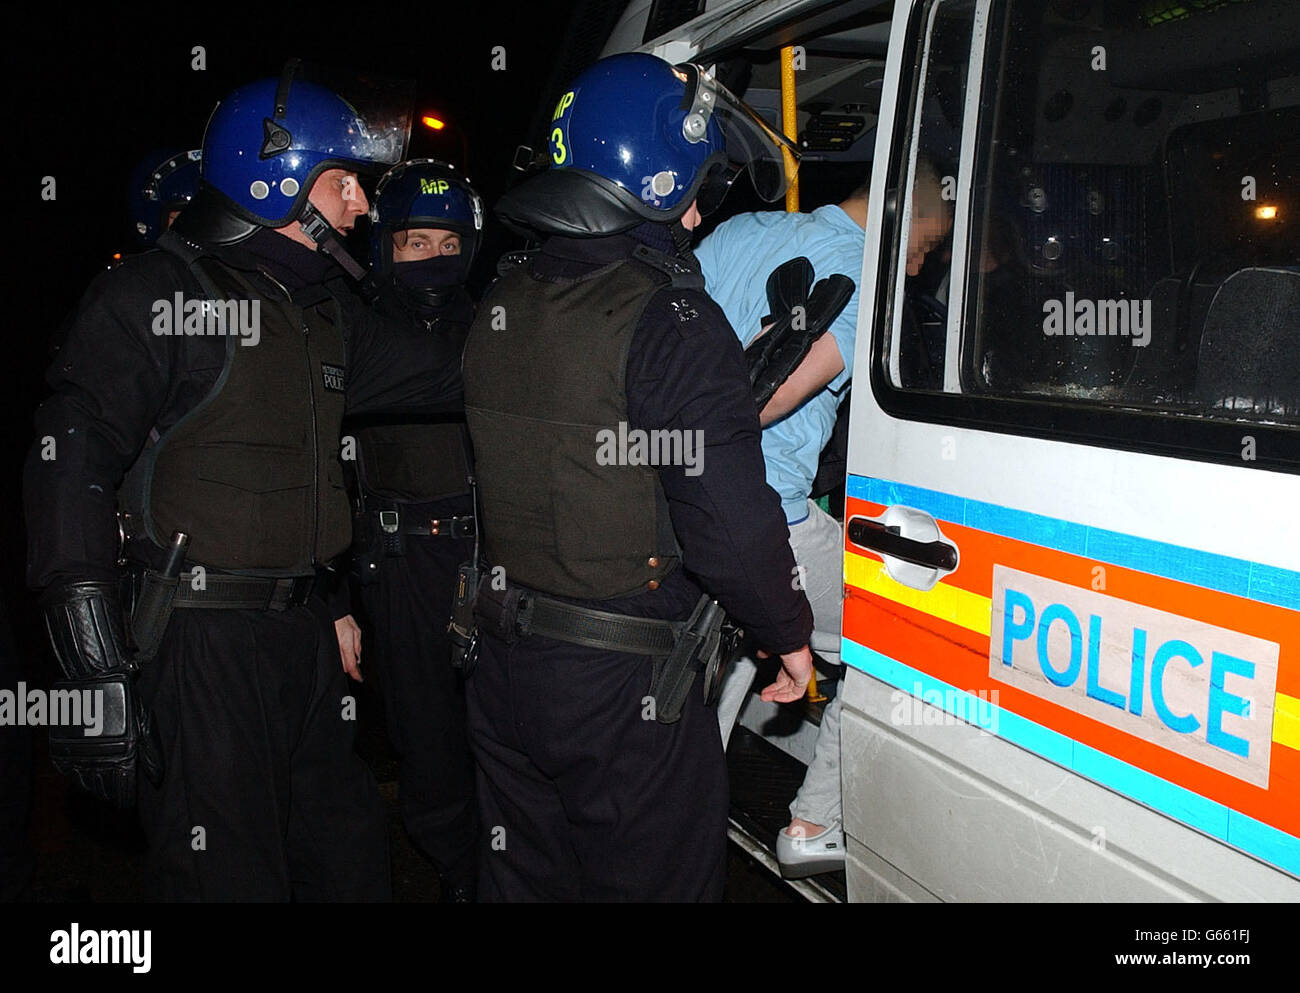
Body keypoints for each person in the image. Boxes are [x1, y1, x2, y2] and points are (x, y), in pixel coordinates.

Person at [23, 63, 464, 901]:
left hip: (300, 639)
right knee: (223, 875)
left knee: (351, 860)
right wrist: (90, 658)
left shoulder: (323, 311)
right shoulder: (158, 292)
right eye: (346, 184)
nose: (364, 206)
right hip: (200, 642)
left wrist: (572, 317)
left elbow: (457, 371)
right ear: (282, 180)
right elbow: (67, 459)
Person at [460, 52, 815, 902]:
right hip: (623, 695)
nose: (697, 211)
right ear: (644, 176)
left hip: (500, 667)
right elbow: (727, 521)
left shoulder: (504, 298)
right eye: (691, 187)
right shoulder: (672, 315)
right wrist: (787, 628)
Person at [700, 158, 951, 877]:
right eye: (928, 248)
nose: (918, 268)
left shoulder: (745, 229)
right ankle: (813, 822)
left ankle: (689, 795)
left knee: (738, 632)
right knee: (897, 638)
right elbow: (764, 399)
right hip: (762, 514)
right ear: (905, 215)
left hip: (687, 505)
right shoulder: (860, 278)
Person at [346, 159, 482, 902]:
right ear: (384, 245)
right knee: (427, 741)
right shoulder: (354, 328)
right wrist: (335, 595)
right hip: (400, 564)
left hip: (489, 556)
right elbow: (322, 469)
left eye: (446, 240)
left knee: (502, 729)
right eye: (413, 241)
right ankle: (457, 873)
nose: (432, 255)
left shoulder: (497, 318)